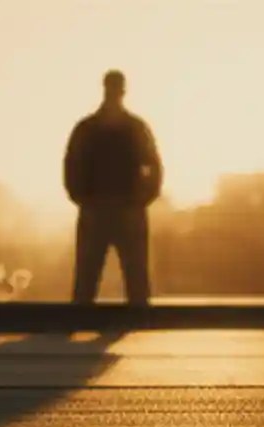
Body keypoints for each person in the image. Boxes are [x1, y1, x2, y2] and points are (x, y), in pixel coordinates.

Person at [63, 70, 163, 305]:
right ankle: (137, 321)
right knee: (131, 281)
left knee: (90, 281)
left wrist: (83, 199)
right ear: (122, 90)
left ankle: (80, 320)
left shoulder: (88, 127)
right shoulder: (134, 127)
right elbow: (154, 166)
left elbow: (71, 166)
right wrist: (142, 200)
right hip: (119, 210)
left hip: (104, 210)